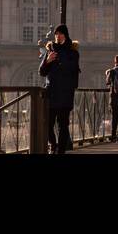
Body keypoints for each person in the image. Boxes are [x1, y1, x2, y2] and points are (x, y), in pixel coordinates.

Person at [38, 24, 81, 154]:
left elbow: (71, 68)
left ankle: (60, 150)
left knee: (63, 125)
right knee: (48, 124)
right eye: (56, 34)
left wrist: (60, 58)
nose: (57, 36)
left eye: (60, 34)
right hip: (52, 92)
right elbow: (41, 71)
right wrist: (47, 61)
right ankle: (53, 145)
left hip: (66, 93)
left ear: (65, 35)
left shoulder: (73, 52)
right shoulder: (50, 50)